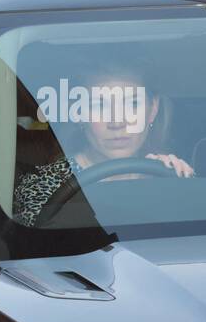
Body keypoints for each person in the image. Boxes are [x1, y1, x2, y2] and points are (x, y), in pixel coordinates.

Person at [13, 62, 194, 227]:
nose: (117, 122)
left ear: (152, 110)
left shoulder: (165, 175)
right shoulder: (44, 186)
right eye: (99, 106)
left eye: (132, 104)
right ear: (79, 114)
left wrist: (179, 185)